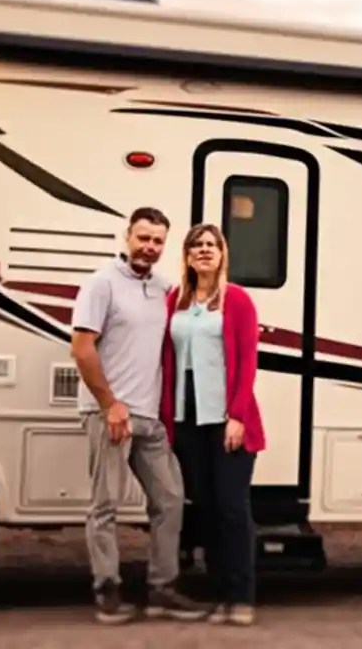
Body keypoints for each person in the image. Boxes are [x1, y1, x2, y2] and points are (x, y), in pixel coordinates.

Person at [70, 207, 209, 624]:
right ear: (127, 235)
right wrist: (109, 404)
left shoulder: (166, 288)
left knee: (169, 499)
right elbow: (81, 347)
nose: (149, 247)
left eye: (158, 241)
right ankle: (107, 590)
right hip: (111, 414)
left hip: (150, 418)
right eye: (143, 238)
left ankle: (162, 589)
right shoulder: (101, 284)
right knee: (105, 504)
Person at [159, 223, 266, 626]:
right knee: (203, 510)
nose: (204, 251)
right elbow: (166, 360)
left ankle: (241, 597)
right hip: (188, 421)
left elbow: (247, 362)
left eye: (211, 245)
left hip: (227, 422)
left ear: (222, 254)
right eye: (196, 245)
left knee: (231, 508)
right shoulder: (176, 300)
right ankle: (219, 593)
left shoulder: (236, 300)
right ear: (186, 256)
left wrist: (236, 415)